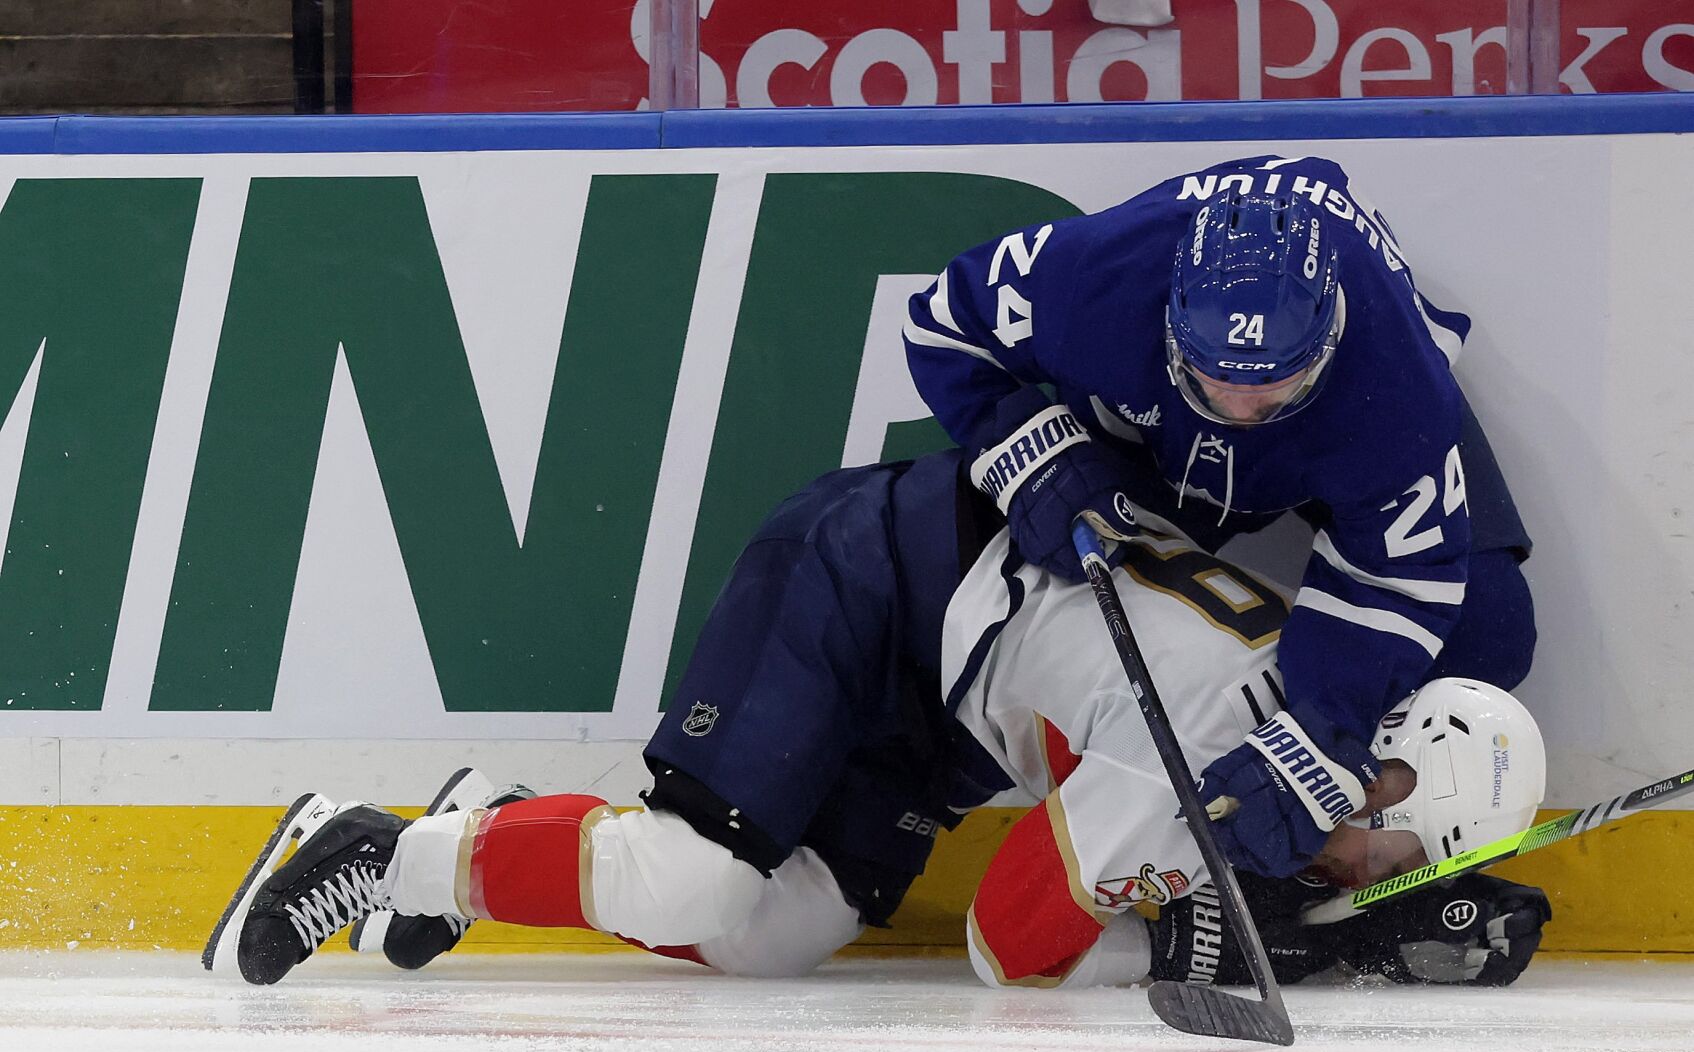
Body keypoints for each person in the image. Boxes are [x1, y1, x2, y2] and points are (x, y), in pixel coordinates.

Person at [203, 451, 1551, 992]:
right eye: (1403, 857)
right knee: (691, 874)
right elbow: (1010, 948)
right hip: (872, 581)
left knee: (775, 934)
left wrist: (1306, 919)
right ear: (1378, 785)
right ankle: (388, 850)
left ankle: (490, 824)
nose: (1390, 876)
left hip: (948, 706)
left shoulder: (1305, 720)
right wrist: (1252, 942)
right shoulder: (1206, 739)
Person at [904, 154, 1536, 880]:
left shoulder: (1397, 388)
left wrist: (1323, 733)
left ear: (1326, 340)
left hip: (1338, 423)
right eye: (1218, 378)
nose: (1239, 408)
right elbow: (946, 321)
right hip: (1154, 425)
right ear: (1169, 319)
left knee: (1489, 630)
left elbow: (1399, 581)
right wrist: (1028, 447)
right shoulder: (1101, 275)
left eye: (1269, 385)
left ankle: (1357, 848)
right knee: (1111, 603)